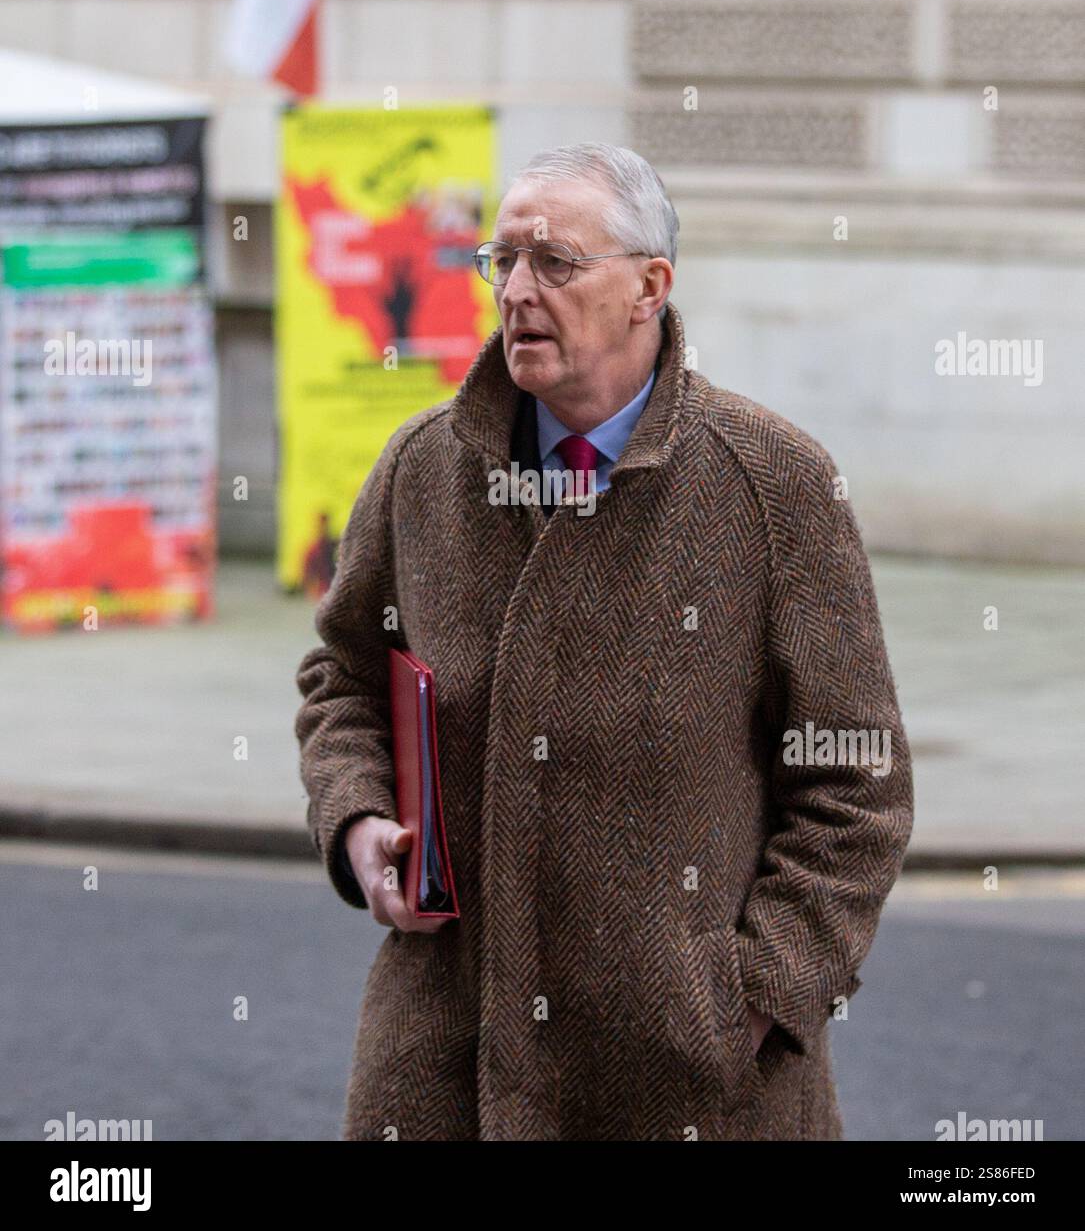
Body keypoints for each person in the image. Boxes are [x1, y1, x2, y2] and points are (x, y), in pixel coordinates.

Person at [295, 141, 914, 1141]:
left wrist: (748, 995)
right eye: (501, 261)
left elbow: (854, 784)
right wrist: (358, 816)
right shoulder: (420, 469)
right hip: (444, 1065)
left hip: (690, 1084)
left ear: (647, 286)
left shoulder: (772, 483)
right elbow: (343, 678)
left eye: (554, 262)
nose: (517, 291)